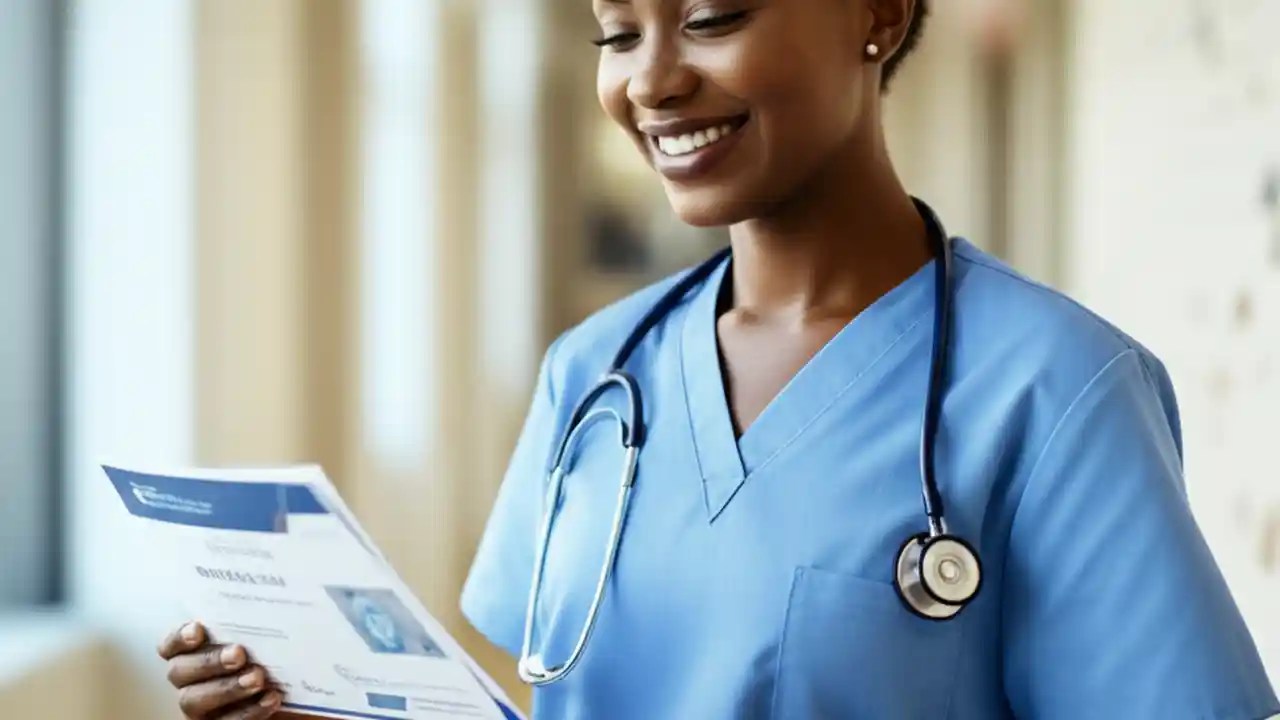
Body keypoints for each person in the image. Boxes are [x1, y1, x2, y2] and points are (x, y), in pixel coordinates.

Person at [157, 1, 1279, 718]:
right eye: (614, 30)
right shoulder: (592, 374)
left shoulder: (1052, 392)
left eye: (710, 17)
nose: (647, 81)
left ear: (878, 15)